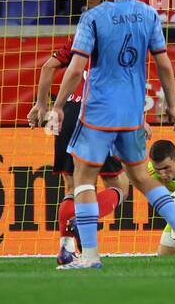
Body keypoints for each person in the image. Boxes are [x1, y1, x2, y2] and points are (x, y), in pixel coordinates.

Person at [45, 0, 175, 270]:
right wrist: (173, 105)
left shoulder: (93, 18)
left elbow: (75, 68)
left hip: (98, 113)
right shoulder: (148, 13)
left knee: (83, 180)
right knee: (139, 177)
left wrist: (57, 105)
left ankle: (90, 256)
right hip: (132, 113)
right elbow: (164, 63)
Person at [26, 19, 132, 266]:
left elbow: (47, 67)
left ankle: (67, 249)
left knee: (73, 188)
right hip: (95, 115)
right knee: (121, 186)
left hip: (65, 113)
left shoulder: (78, 41)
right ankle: (86, 219)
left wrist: (42, 105)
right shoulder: (121, 45)